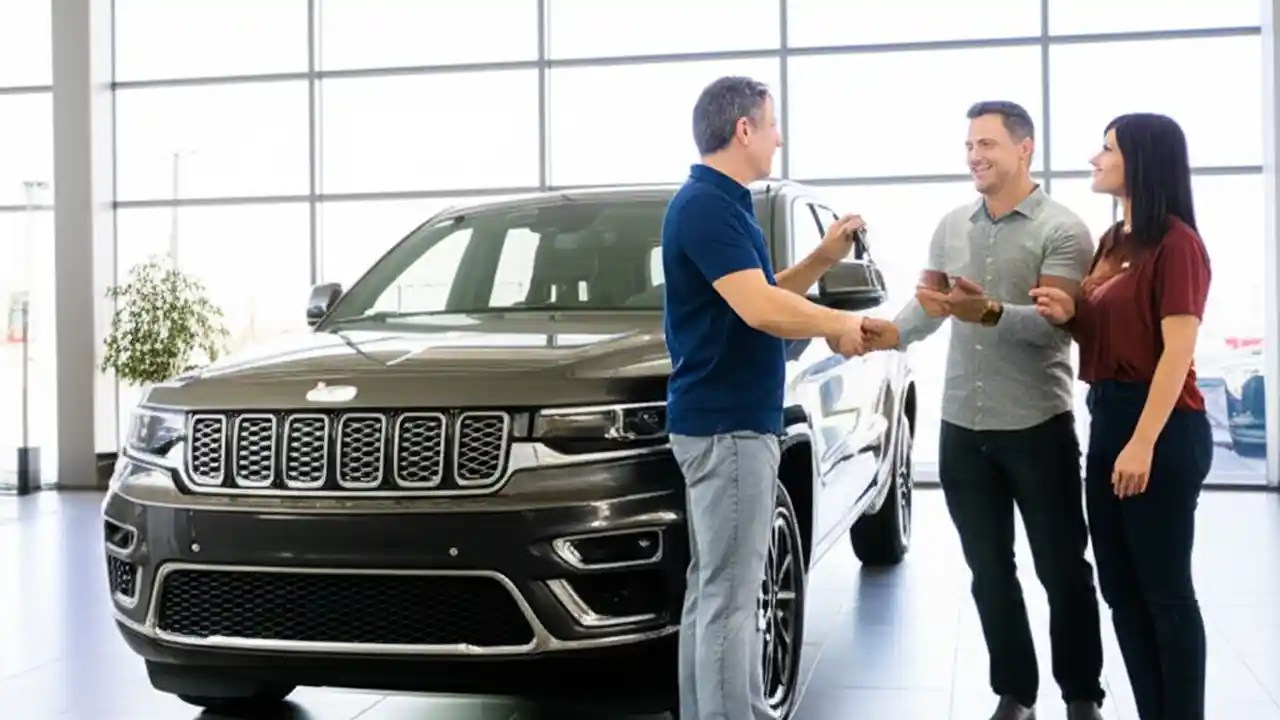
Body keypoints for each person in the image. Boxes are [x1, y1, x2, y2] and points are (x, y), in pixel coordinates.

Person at [861, 100, 1106, 720]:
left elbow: (1061, 328)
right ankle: (1015, 695)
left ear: (1024, 148)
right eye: (970, 145)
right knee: (989, 571)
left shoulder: (1063, 230)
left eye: (988, 144)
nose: (975, 155)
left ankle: (1082, 697)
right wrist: (880, 333)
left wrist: (991, 312)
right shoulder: (949, 226)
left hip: (1036, 426)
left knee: (1061, 569)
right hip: (962, 431)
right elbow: (927, 307)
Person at [662, 75, 869, 720]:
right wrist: (840, 324)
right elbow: (757, 308)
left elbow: (761, 288)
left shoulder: (722, 204)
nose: (779, 137)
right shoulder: (706, 206)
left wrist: (822, 259)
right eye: (772, 124)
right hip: (728, 426)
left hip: (723, 421)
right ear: (744, 130)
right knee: (730, 597)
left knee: (713, 593)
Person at [1030, 113, 1212, 720]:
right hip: (1108, 417)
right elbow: (1108, 333)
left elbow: (1177, 354)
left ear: (1140, 161)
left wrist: (1143, 444)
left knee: (1166, 595)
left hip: (1160, 425)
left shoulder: (1178, 244)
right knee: (1122, 592)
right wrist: (1067, 314)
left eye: (1106, 149)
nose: (1094, 158)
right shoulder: (1113, 244)